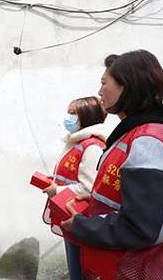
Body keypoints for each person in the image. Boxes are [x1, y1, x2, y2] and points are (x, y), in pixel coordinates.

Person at [61, 50, 163, 280]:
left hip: (149, 269)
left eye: (104, 83)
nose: (99, 92)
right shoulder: (137, 136)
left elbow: (142, 227)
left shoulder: (148, 141)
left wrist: (82, 226)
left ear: (126, 87)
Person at [41, 96, 109, 280]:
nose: (68, 118)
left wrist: (57, 190)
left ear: (86, 117)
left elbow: (89, 187)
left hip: (82, 218)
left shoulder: (93, 146)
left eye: (73, 113)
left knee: (82, 271)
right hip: (70, 215)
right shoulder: (77, 142)